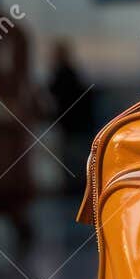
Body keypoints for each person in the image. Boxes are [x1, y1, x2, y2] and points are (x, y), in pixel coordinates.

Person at [47, 41, 93, 194]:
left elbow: (55, 94)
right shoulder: (73, 73)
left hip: (72, 125)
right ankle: (77, 186)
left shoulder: (62, 75)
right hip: (77, 124)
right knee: (75, 158)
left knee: (72, 158)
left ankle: (74, 187)